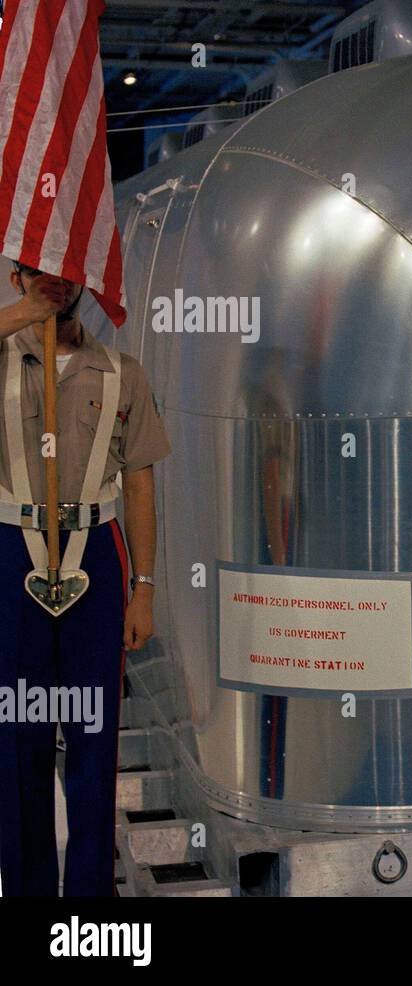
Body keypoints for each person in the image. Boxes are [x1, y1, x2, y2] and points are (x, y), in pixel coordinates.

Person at [0, 261, 170, 896]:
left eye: (68, 271)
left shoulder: (122, 373)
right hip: (12, 551)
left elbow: (142, 485)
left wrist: (144, 589)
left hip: (96, 554)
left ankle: (90, 901)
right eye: (40, 272)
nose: (56, 282)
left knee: (95, 736)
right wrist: (24, 318)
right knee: (19, 736)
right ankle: (26, 890)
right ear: (16, 277)